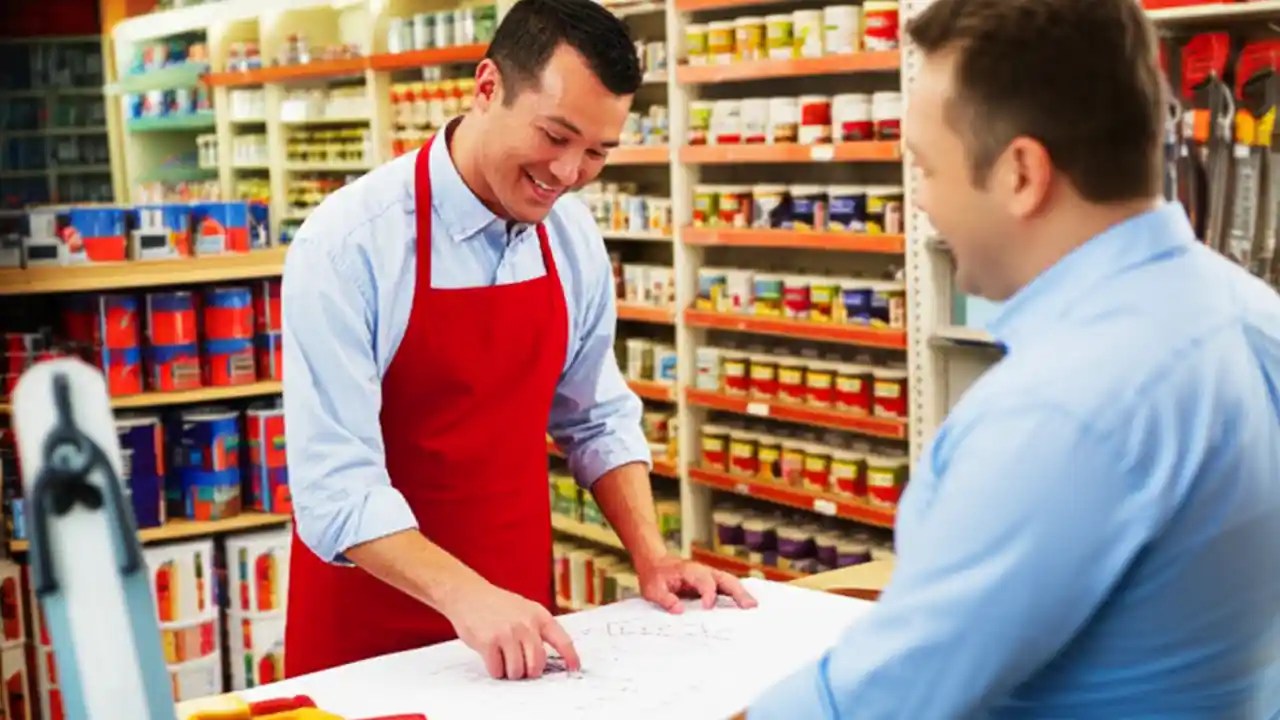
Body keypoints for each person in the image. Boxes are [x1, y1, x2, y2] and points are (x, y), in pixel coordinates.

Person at [744, 0, 1280, 717]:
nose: (924, 204)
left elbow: (879, 703)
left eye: (928, 169)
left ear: (1021, 173)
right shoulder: (1252, 318)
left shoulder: (1063, 407)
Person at [279, 0, 755, 683]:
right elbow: (336, 488)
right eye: (555, 135)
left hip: (518, 630)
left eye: (596, 152)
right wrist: (467, 597)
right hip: (368, 640)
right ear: (485, 88)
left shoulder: (572, 239)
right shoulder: (351, 245)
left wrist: (654, 554)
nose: (567, 173)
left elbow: (595, 417)